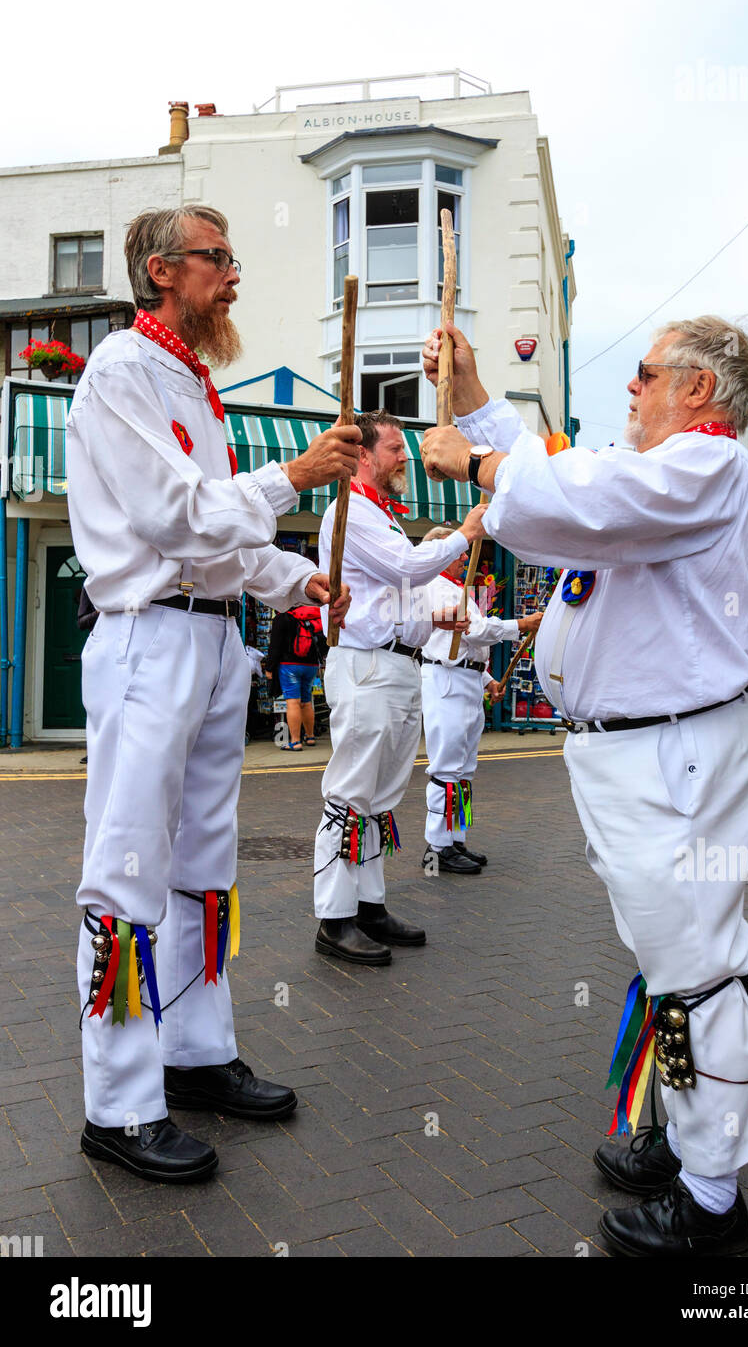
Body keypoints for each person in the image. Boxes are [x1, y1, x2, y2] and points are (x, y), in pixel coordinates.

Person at [420, 314, 748, 1258]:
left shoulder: (709, 468)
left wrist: (471, 461)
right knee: (672, 959)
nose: (631, 390)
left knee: (694, 975)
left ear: (699, 390)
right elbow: (564, 474)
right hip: (648, 755)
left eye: (645, 374)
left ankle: (713, 1201)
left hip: (676, 755)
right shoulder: (668, 478)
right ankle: (683, 1137)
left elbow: (575, 491)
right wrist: (472, 394)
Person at [67, 205, 360, 1184]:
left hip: (208, 640)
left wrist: (294, 581)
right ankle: (117, 1103)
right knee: (128, 870)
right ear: (162, 270)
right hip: (149, 642)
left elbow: (220, 543)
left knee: (202, 863)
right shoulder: (119, 372)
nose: (233, 275)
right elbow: (173, 516)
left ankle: (194, 1054)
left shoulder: (193, 381)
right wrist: (297, 473)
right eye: (216, 258)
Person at [313, 409, 482, 965]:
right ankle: (334, 920)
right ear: (362, 455)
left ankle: (369, 905)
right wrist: (464, 534)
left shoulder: (377, 515)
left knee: (381, 797)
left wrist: (435, 619)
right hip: (366, 667)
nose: (404, 456)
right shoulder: (348, 512)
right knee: (351, 793)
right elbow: (405, 570)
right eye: (393, 448)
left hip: (398, 665)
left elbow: (395, 594)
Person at [418, 532, 543, 874]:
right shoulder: (436, 587)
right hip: (447, 680)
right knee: (446, 767)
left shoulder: (458, 590)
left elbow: (470, 648)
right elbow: (473, 632)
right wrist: (521, 624)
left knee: (463, 769)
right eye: (459, 554)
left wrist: (488, 681)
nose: (464, 559)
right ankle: (437, 847)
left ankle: (455, 838)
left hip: (466, 679)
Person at [264, 604, 325, 749]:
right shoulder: (311, 617)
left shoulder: (282, 618)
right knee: (306, 701)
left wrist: (269, 667)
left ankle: (295, 741)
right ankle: (310, 737)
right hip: (311, 666)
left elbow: (275, 646)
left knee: (292, 702)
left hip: (289, 665)